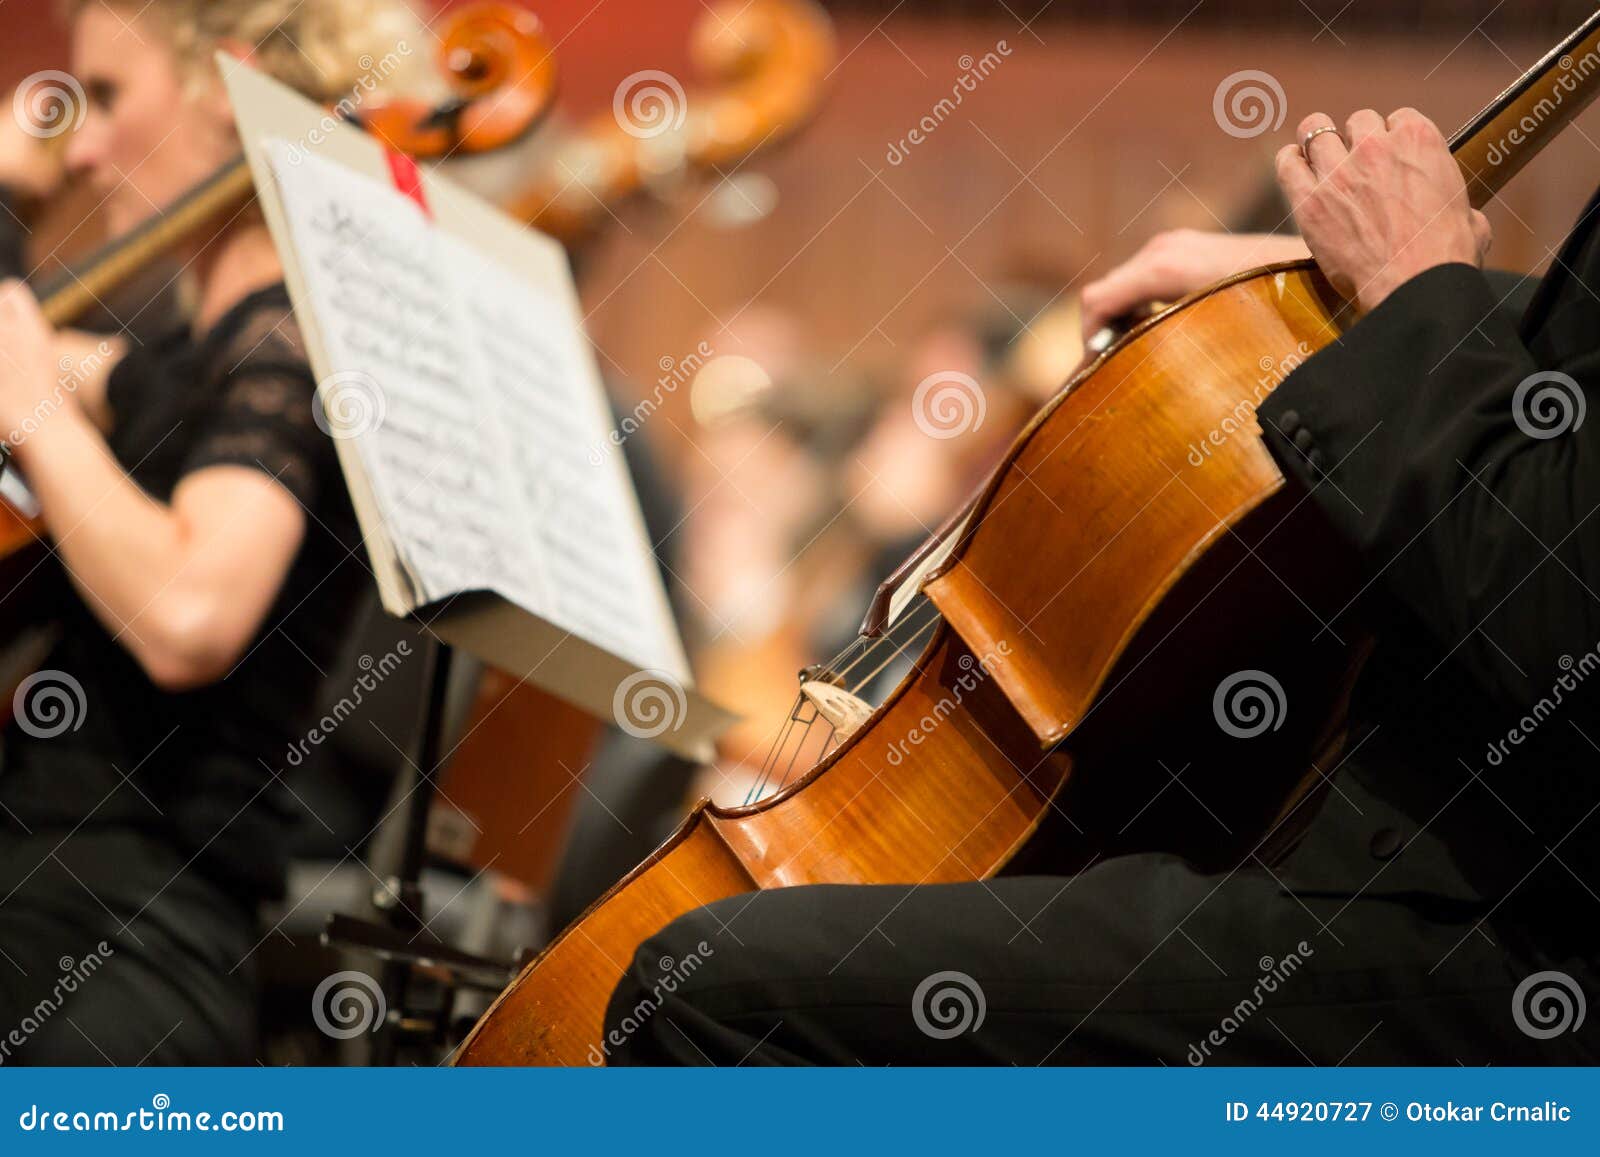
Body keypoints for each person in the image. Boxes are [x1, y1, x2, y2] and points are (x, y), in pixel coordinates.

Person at [601, 107, 1600, 1064]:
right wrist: (1306, 287)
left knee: (705, 990)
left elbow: (1560, 622)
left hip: (1501, 949)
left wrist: (1413, 287)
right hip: (1429, 884)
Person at [0, 0, 415, 1065]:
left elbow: (191, 613)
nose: (82, 148)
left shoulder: (293, 341)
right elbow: (54, 359)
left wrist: (33, 406)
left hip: (115, 954)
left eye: (108, 96)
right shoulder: (187, 361)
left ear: (225, 92)